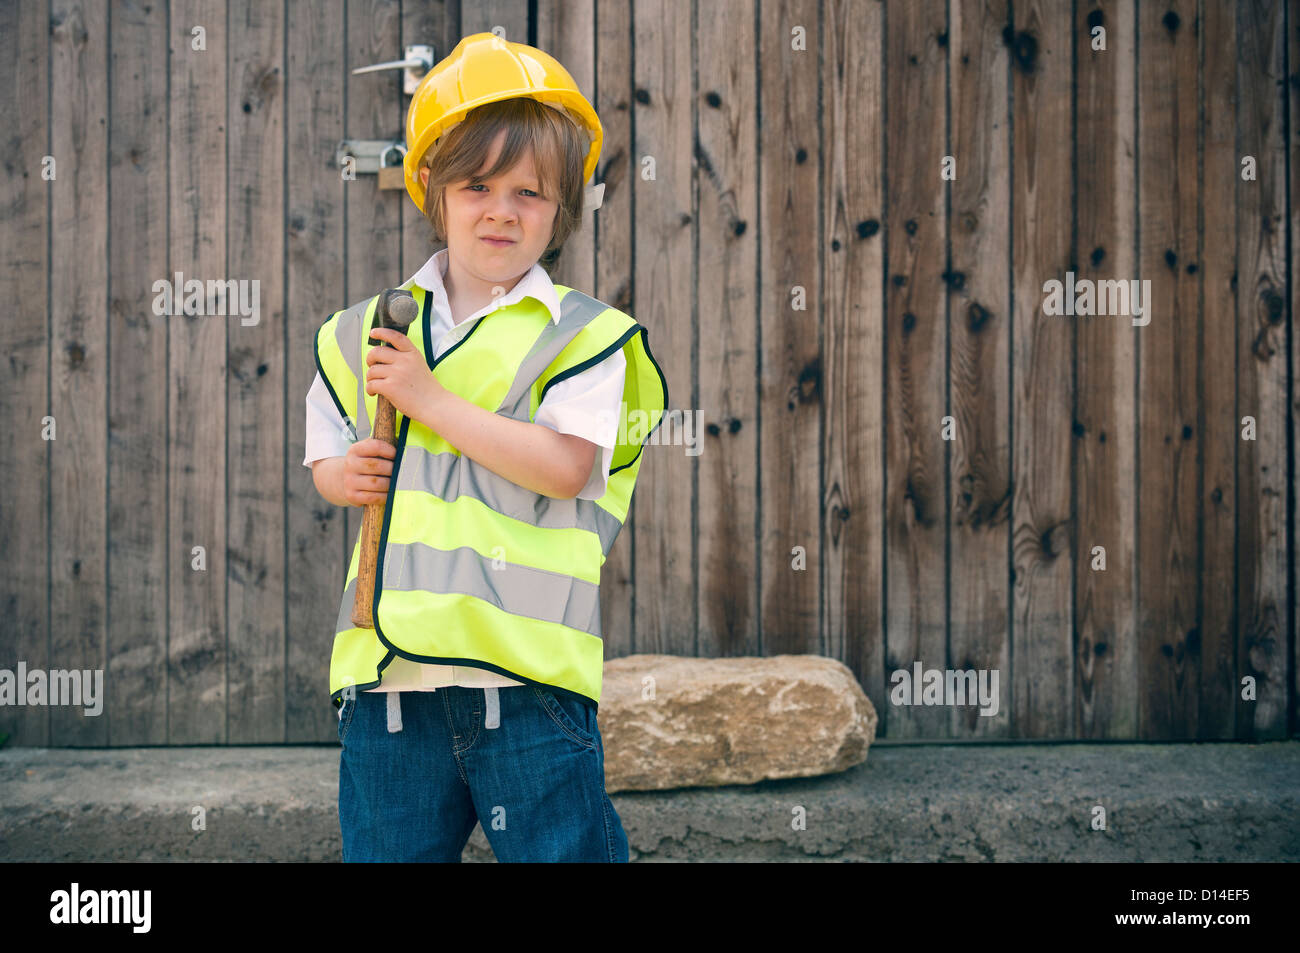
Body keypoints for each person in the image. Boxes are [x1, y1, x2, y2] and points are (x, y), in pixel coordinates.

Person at [304, 32, 667, 862]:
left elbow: (567, 466)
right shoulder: (360, 332)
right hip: (390, 685)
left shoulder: (585, 339)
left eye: (529, 192)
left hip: (528, 686)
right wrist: (341, 474)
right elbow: (326, 451)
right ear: (430, 185)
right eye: (477, 185)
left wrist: (428, 400)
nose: (502, 209)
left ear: (563, 204)